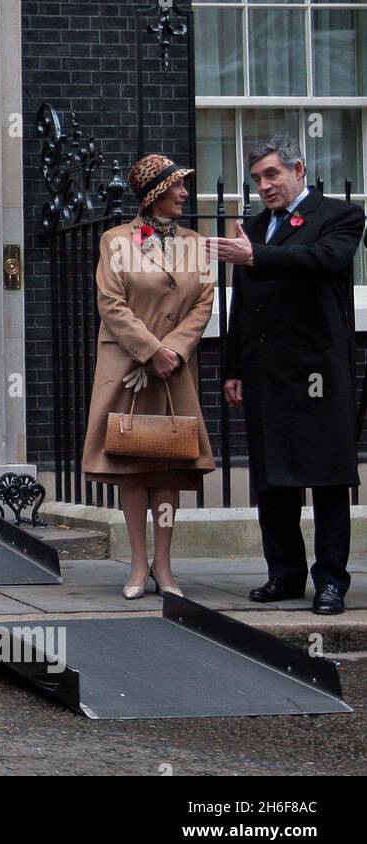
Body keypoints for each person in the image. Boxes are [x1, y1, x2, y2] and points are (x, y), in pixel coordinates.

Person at [213, 136, 367, 616]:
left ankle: (331, 582)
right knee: (271, 480)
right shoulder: (255, 226)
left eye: (272, 174)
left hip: (318, 370)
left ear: (298, 169)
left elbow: (324, 261)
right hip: (264, 371)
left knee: (326, 478)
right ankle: (284, 574)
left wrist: (256, 256)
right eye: (257, 178)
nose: (264, 185)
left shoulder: (339, 216)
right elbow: (244, 305)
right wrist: (233, 367)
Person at [82, 154, 216, 599]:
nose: (184, 194)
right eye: (176, 186)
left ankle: (165, 565)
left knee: (169, 469)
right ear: (154, 193)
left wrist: (172, 350)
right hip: (127, 365)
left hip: (174, 368)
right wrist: (150, 350)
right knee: (133, 467)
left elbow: (203, 302)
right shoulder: (115, 240)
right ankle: (138, 566)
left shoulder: (196, 242)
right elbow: (111, 303)